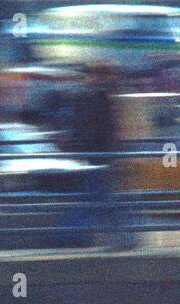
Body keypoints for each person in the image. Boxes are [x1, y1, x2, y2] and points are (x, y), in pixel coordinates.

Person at [63, 62, 131, 248]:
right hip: (102, 155)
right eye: (111, 74)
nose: (115, 79)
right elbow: (106, 129)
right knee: (102, 197)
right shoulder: (101, 97)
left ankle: (75, 235)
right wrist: (115, 152)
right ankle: (122, 237)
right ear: (104, 75)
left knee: (94, 196)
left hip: (94, 155)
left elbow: (82, 127)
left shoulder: (87, 96)